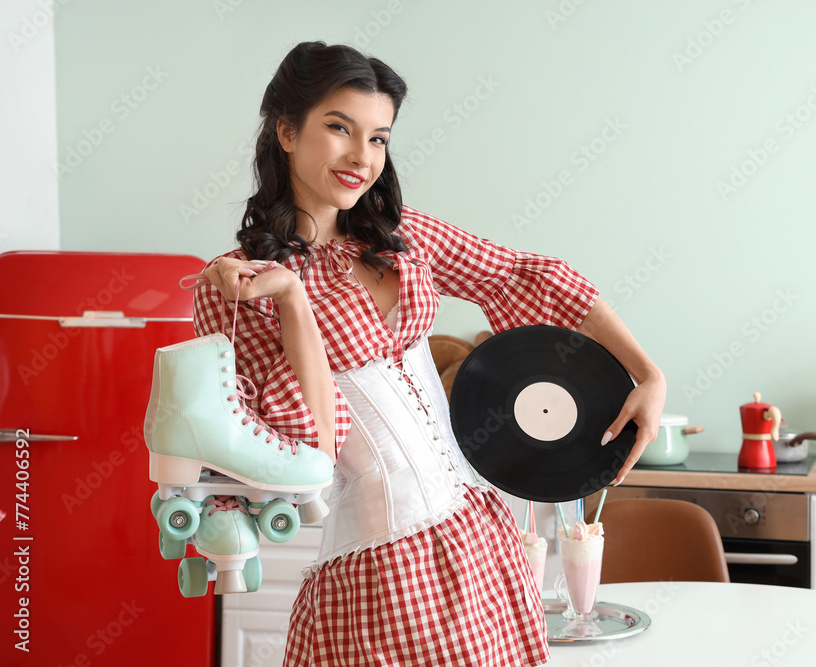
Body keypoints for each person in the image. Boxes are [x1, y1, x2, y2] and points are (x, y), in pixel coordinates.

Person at [194, 41, 665, 667]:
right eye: (340, 128)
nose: (361, 156)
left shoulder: (398, 238)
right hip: (384, 573)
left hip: (484, 539)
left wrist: (647, 371)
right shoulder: (236, 285)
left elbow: (523, 276)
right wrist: (294, 302)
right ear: (286, 130)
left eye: (379, 138)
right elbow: (305, 449)